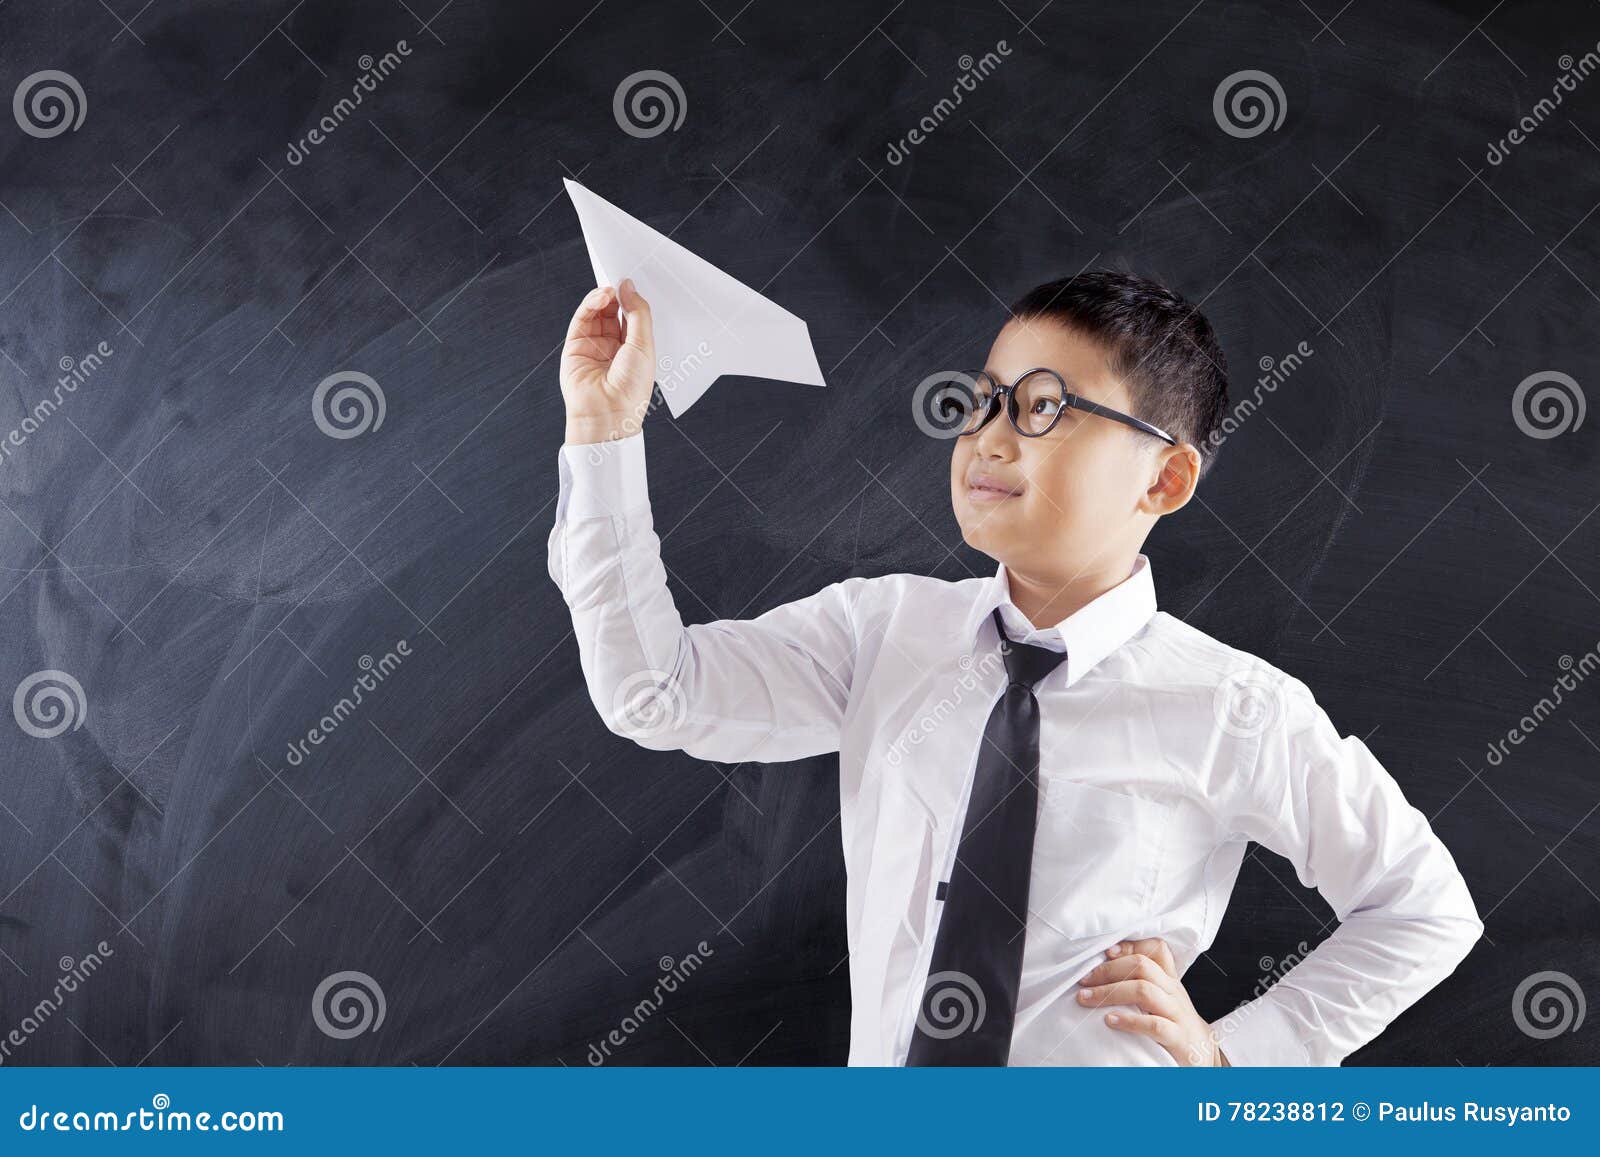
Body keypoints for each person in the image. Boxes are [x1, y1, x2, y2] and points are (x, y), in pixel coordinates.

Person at [547, 270, 1482, 1066]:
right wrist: (603, 430)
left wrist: (1237, 1054)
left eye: (1044, 408)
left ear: (1164, 478)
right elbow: (654, 691)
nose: (990, 436)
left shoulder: (1236, 707)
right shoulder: (883, 631)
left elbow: (1425, 906)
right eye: (985, 398)